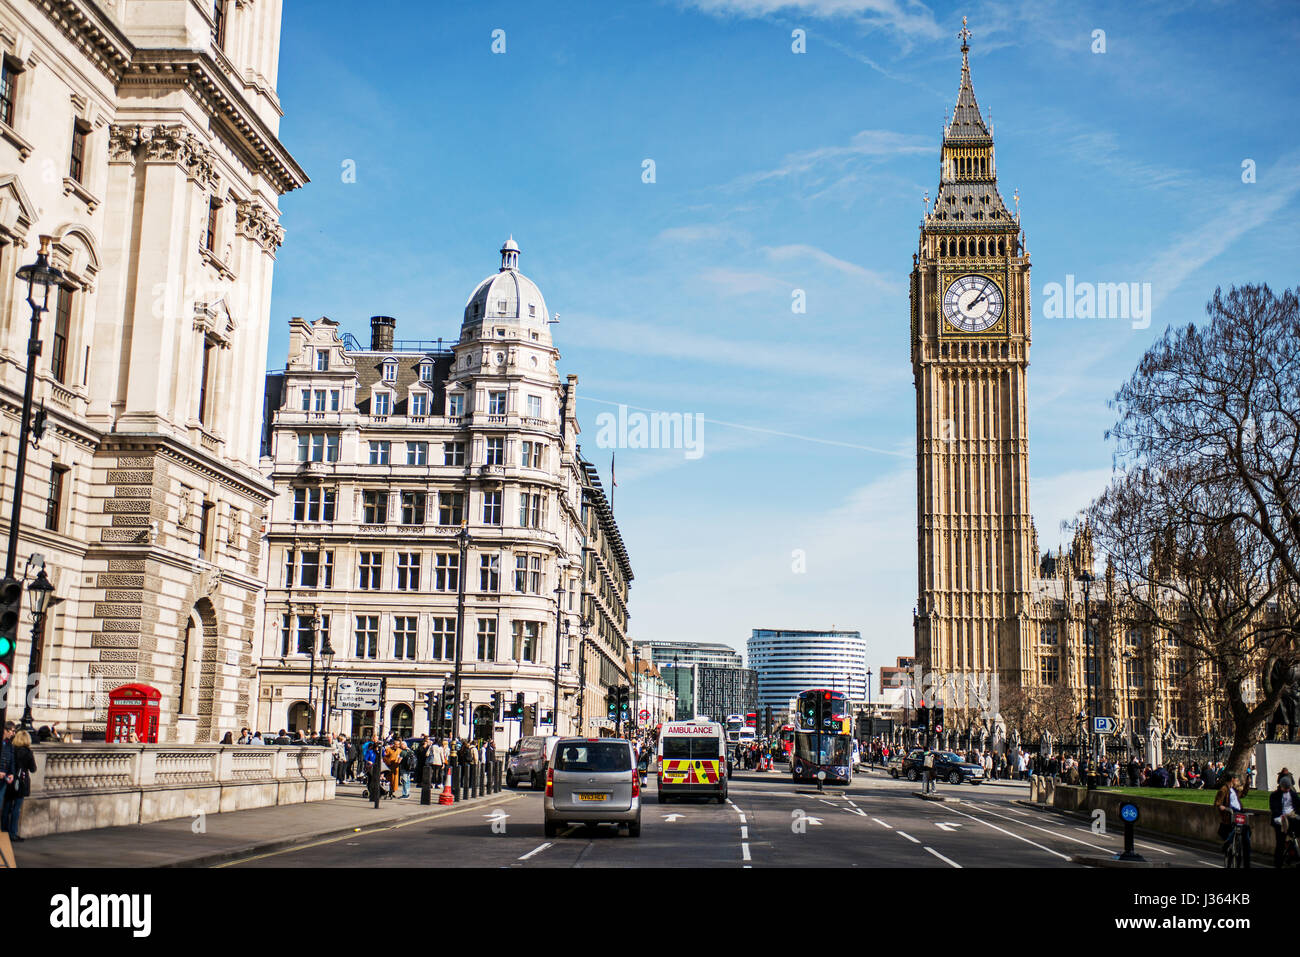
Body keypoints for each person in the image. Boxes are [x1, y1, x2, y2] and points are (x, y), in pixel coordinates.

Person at [0, 729, 37, 841]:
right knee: (16, 808)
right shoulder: (28, 752)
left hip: (10, 779)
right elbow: (33, 768)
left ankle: (4, 829)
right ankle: (13, 832)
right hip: (21, 782)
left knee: (6, 806)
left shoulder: (12, 749)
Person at [1214, 772, 1251, 867]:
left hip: (1239, 813)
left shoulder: (1234, 790)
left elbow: (1243, 794)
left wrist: (1247, 783)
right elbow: (1217, 803)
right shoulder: (1224, 789)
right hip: (1230, 814)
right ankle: (1228, 843)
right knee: (1235, 829)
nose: (1237, 781)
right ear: (1232, 779)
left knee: (1247, 832)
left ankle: (1246, 860)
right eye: (1236, 779)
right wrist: (1222, 807)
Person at [1269, 769, 1298, 869]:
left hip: (1292, 817)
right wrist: (1281, 815)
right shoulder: (1274, 796)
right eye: (1285, 788)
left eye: (1288, 788)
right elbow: (1274, 808)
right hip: (1280, 819)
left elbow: (1298, 806)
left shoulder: (1293, 795)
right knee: (1280, 843)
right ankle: (1278, 863)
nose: (1287, 790)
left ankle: (1293, 854)